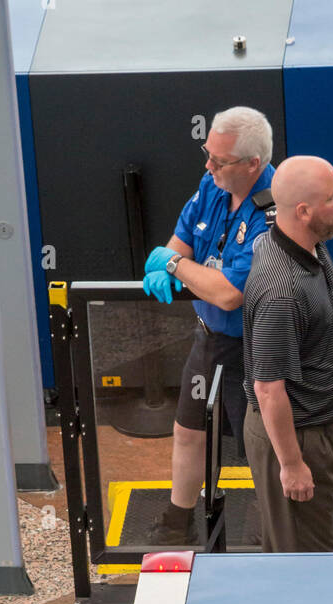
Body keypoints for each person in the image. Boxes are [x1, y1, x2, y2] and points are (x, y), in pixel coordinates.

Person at [142, 107, 275, 546]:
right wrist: (172, 260)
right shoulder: (213, 185)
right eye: (207, 154)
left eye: (219, 160)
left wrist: (174, 265)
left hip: (255, 348)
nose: (208, 166)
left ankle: (270, 528)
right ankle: (177, 523)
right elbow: (179, 241)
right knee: (189, 429)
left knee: (262, 447)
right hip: (210, 337)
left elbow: (228, 293)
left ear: (252, 164)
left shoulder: (269, 209)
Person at [241, 156, 333, 553]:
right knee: (308, 561)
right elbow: (269, 389)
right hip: (296, 437)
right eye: (332, 197)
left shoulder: (308, 245)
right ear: (303, 211)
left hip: (313, 422)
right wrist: (291, 465)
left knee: (306, 544)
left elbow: (320, 335)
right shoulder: (282, 291)